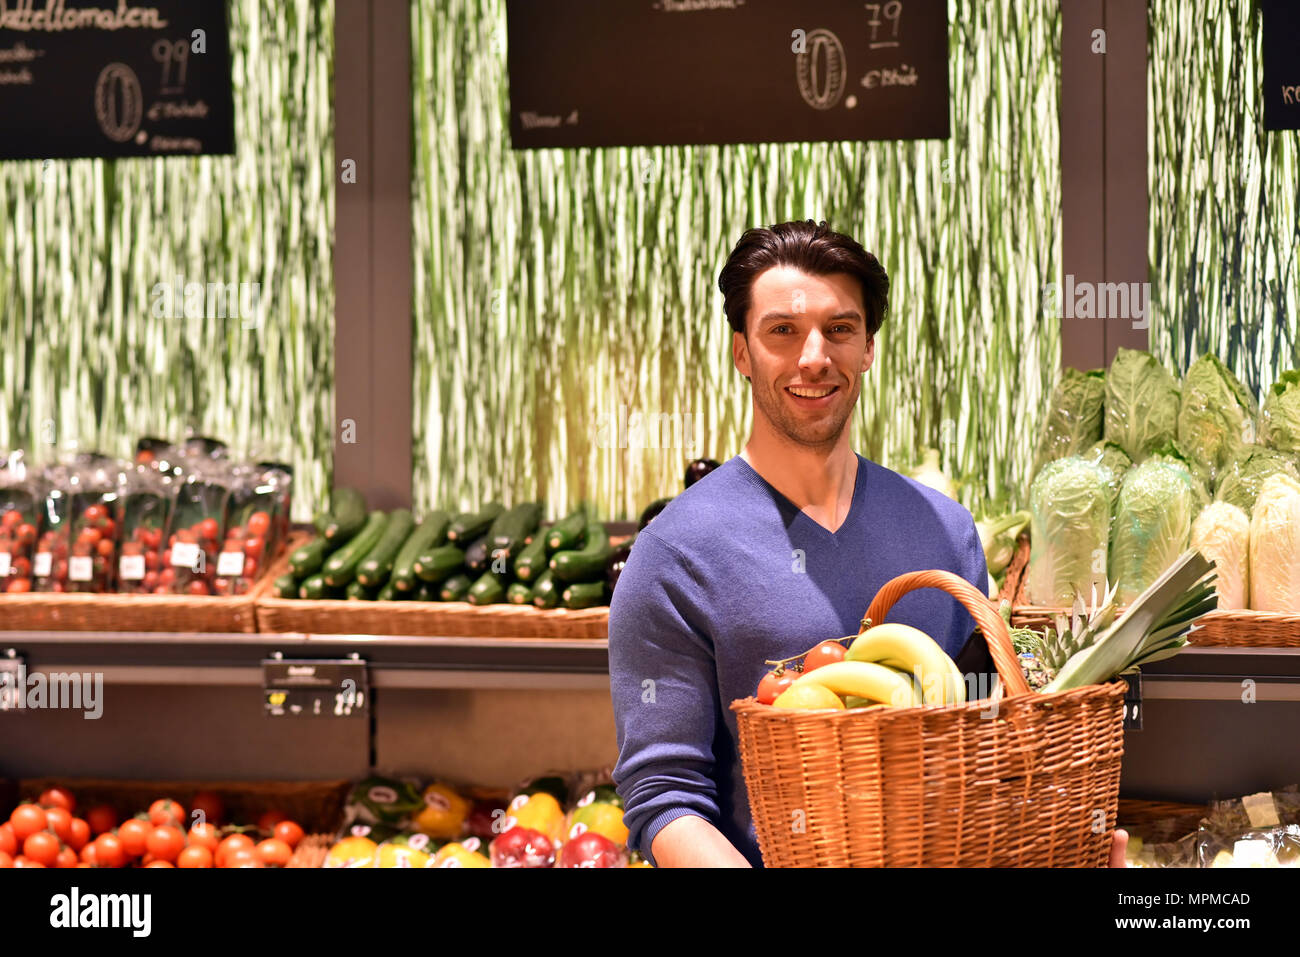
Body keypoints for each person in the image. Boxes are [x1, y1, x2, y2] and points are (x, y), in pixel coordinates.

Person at [607, 219, 1128, 868]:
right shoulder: (673, 555)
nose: (814, 357)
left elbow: (979, 739)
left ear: (869, 348)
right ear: (741, 352)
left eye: (840, 329)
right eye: (783, 331)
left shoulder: (944, 529)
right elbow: (663, 797)